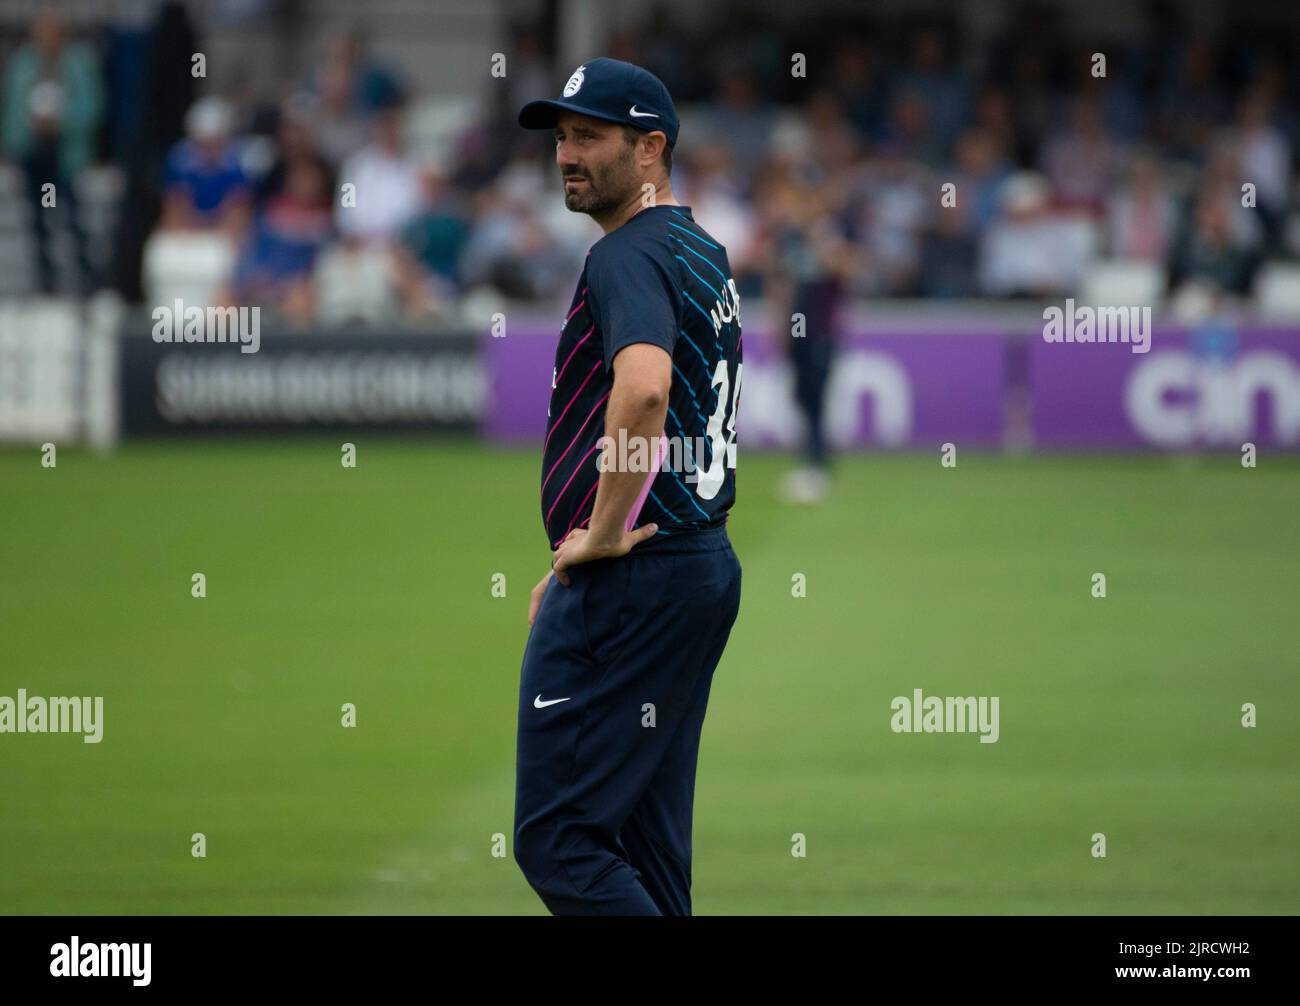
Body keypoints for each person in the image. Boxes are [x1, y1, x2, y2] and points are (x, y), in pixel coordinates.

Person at [512, 57, 743, 916]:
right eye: (563, 136)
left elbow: (643, 391)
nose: (568, 155)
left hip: (635, 577)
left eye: (590, 137)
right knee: (644, 844)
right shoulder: (699, 246)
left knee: (562, 839)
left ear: (651, 148)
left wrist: (602, 534)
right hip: (695, 568)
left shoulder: (626, 254)